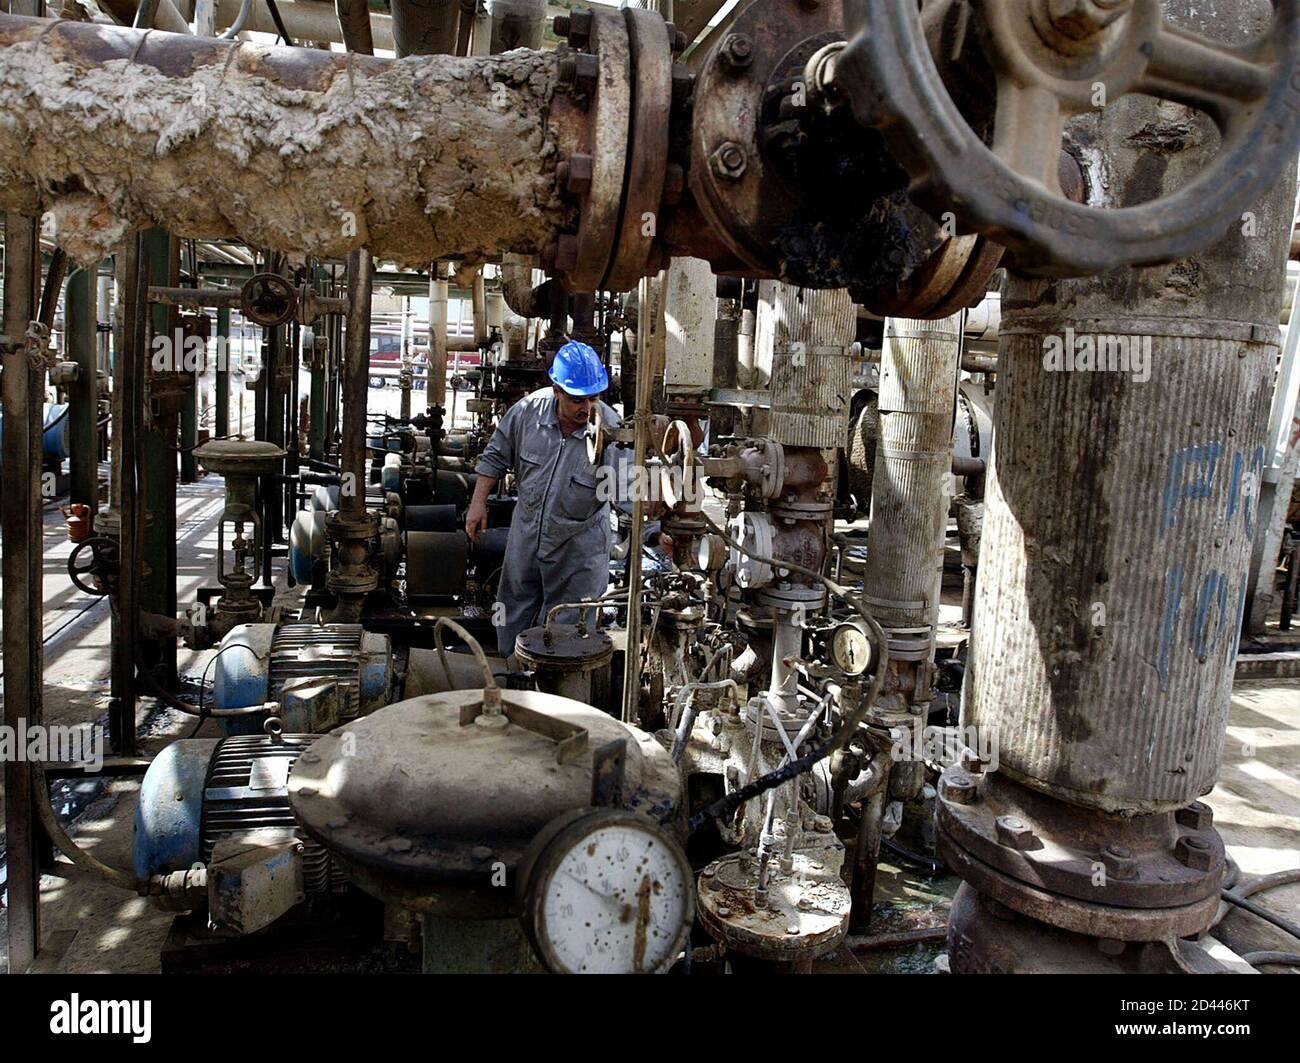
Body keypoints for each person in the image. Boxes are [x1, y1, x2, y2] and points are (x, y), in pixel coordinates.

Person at [466, 340, 621, 657]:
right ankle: (510, 674)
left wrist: (659, 530)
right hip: (526, 537)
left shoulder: (612, 430)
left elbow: (628, 494)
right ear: (557, 390)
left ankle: (554, 697)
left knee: (568, 635)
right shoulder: (526, 413)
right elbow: (496, 455)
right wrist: (477, 502)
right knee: (509, 612)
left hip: (579, 550)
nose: (587, 409)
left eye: (594, 398)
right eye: (578, 399)